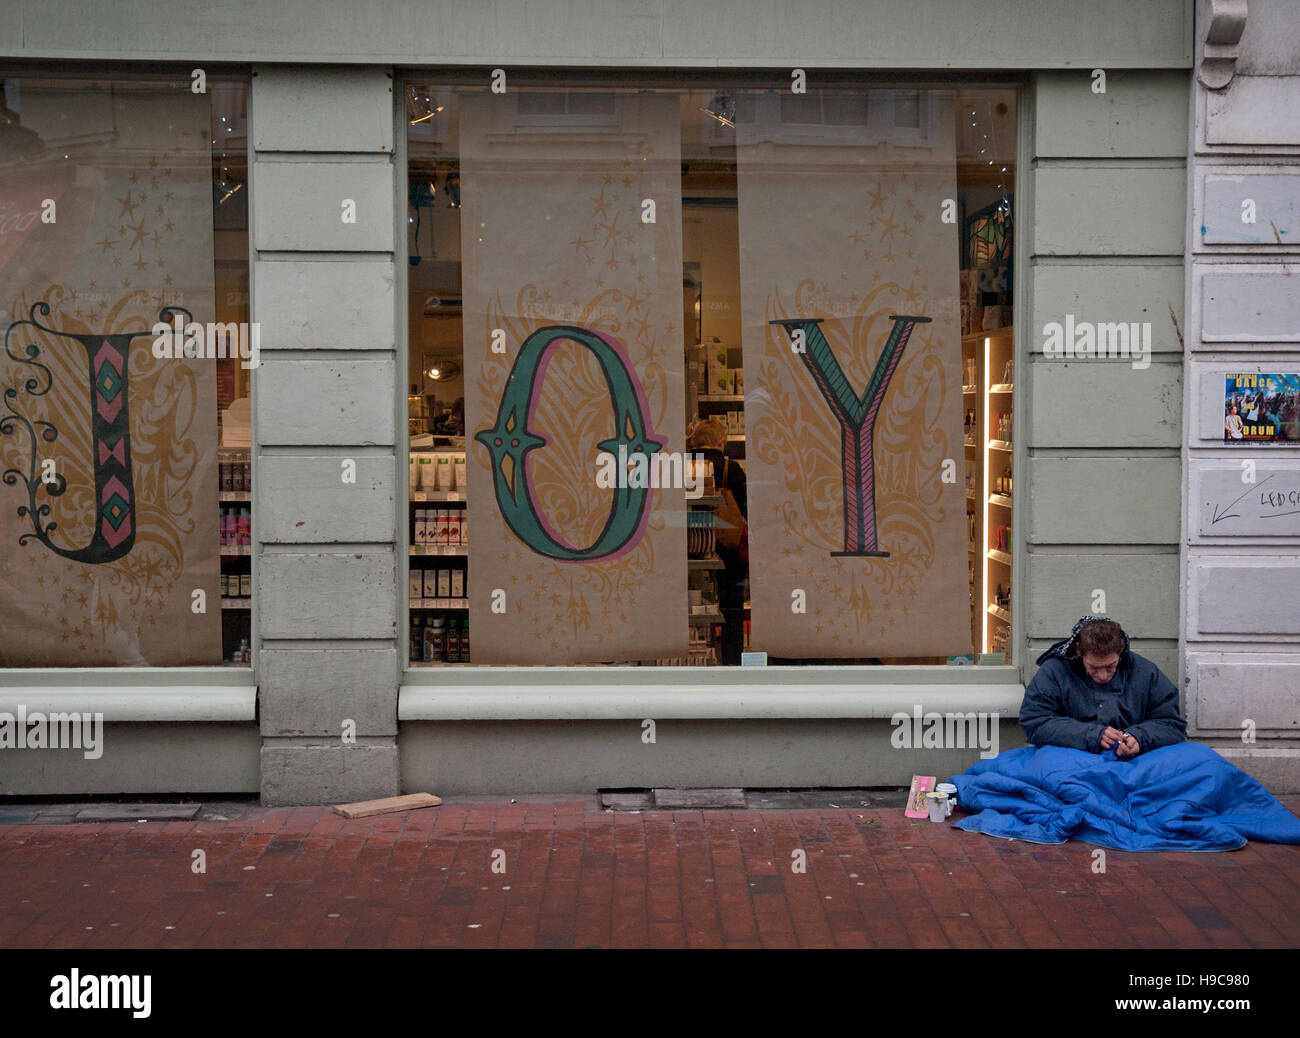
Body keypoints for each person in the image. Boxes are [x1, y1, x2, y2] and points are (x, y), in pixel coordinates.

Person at [1019, 616, 1186, 758]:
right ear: (1078, 651)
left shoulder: (1145, 672)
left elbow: (1171, 724)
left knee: (1203, 759)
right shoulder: (1054, 672)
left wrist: (1138, 737)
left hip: (1134, 762)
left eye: (1110, 666)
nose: (1103, 676)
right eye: (1094, 668)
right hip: (1072, 759)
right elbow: (1036, 722)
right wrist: (1093, 735)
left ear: (1120, 650)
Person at [688, 418, 747, 666]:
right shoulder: (731, 469)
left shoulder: (681, 465)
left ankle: (690, 658)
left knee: (690, 607)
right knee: (731, 610)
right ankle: (733, 663)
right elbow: (747, 507)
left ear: (694, 440)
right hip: (726, 548)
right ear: (721, 441)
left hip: (688, 548)